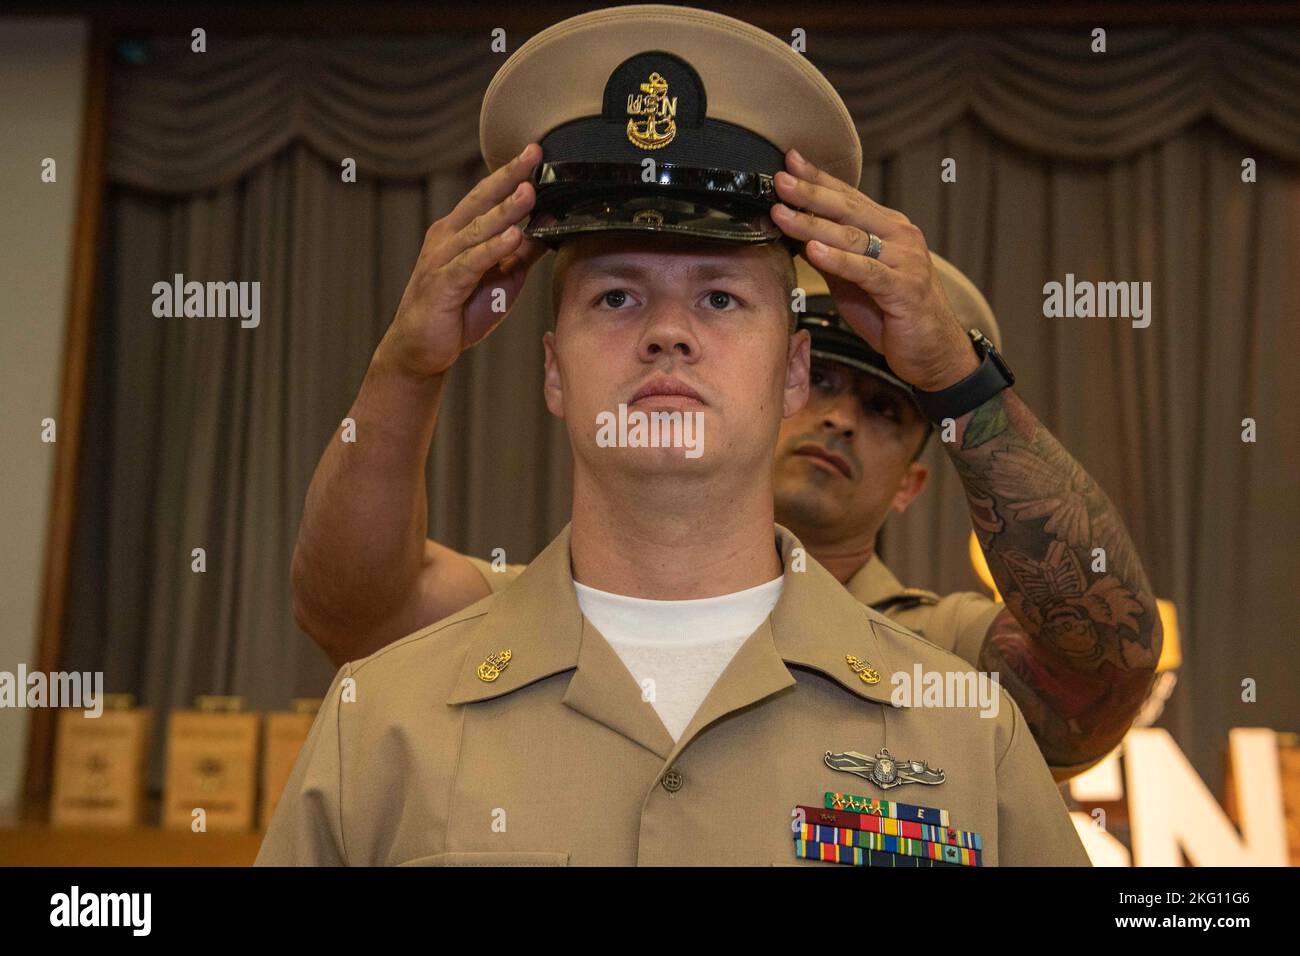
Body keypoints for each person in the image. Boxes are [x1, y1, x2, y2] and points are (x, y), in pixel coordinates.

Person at [258, 4, 1089, 866]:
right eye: (615, 296)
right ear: (552, 370)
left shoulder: (962, 732)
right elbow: (347, 599)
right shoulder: (383, 727)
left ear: (792, 371)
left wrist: (961, 377)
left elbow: (1095, 665)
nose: (668, 332)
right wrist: (403, 361)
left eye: (721, 297)